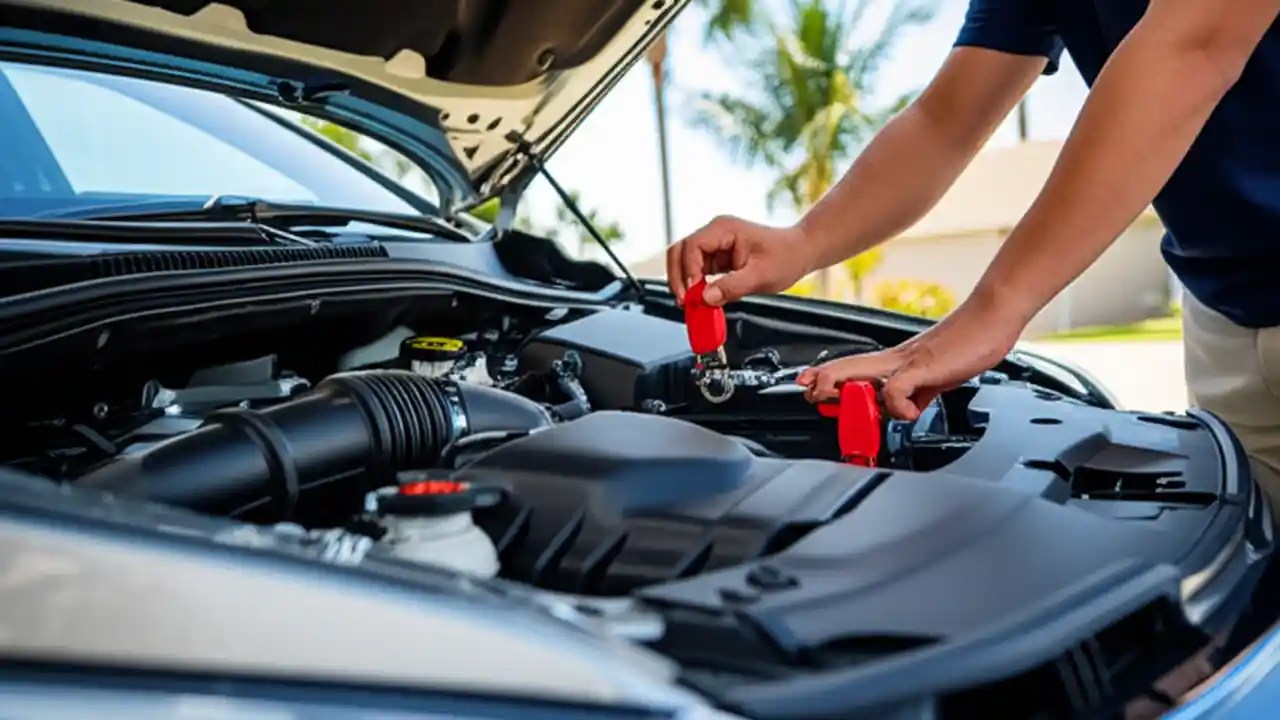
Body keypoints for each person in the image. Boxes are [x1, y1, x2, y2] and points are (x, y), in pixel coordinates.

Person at [667, 0, 1280, 509]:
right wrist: (801, 243)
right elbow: (944, 122)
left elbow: (1194, 46)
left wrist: (992, 311)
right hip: (1225, 311)